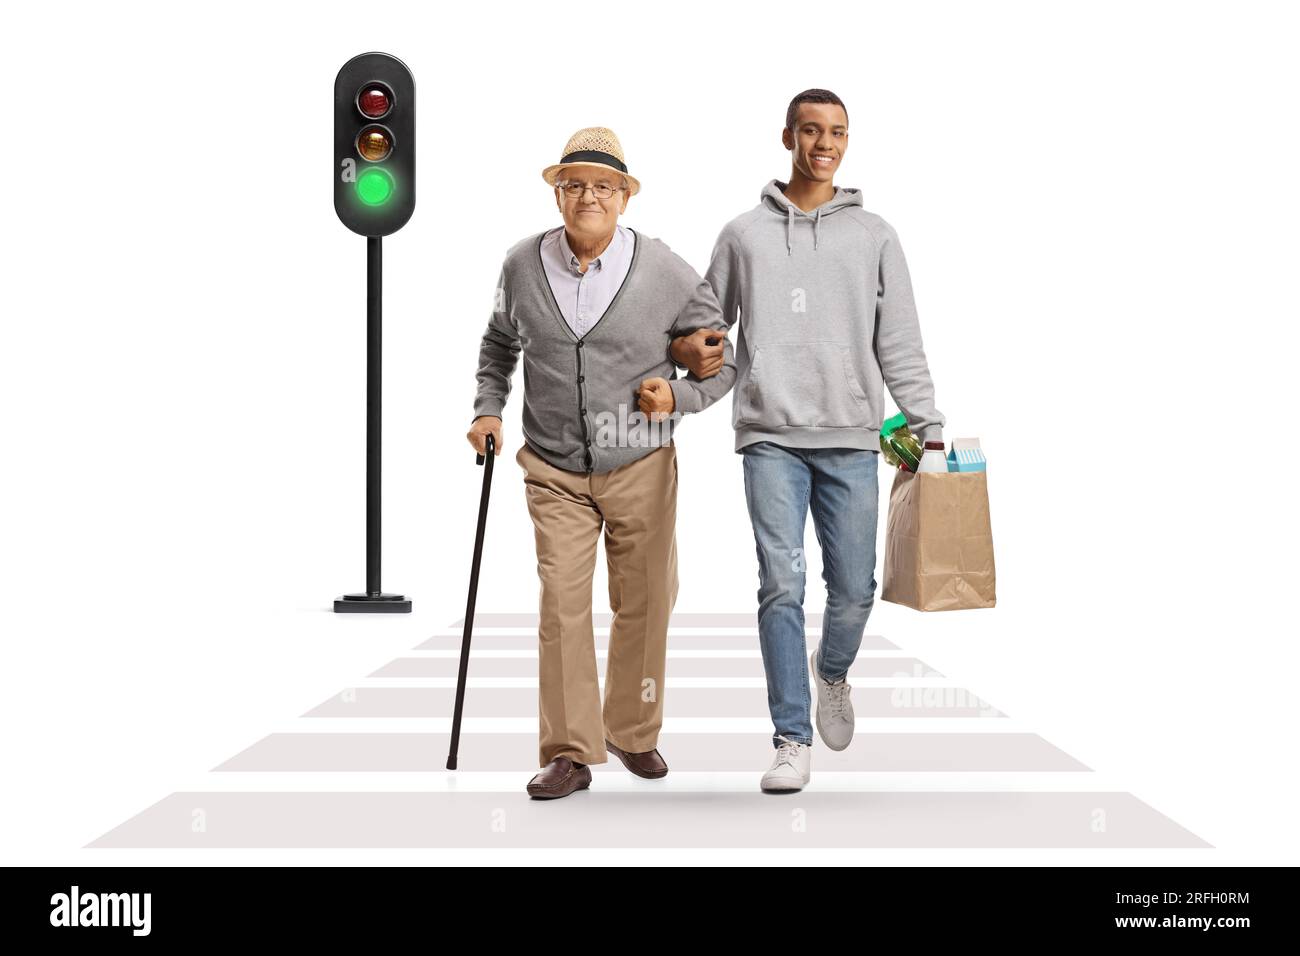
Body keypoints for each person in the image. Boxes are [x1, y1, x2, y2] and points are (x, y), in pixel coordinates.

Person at [670, 90, 946, 792]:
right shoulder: (743, 234)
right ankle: (791, 738)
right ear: (787, 136)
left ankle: (832, 672)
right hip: (770, 438)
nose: (826, 143)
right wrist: (686, 368)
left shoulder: (875, 235)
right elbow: (706, 330)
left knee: (855, 588)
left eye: (838, 133)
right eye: (813, 130)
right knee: (781, 585)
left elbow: (901, 341)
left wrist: (928, 427)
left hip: (851, 436)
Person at [470, 127, 736, 799]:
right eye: (573, 184)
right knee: (560, 605)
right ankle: (569, 752)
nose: (587, 196)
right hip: (554, 466)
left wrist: (679, 394)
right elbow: (499, 343)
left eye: (602, 186)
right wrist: (487, 408)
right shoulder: (521, 265)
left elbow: (721, 355)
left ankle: (633, 730)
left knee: (645, 601)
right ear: (558, 194)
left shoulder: (666, 270)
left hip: (640, 463)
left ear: (624, 198)